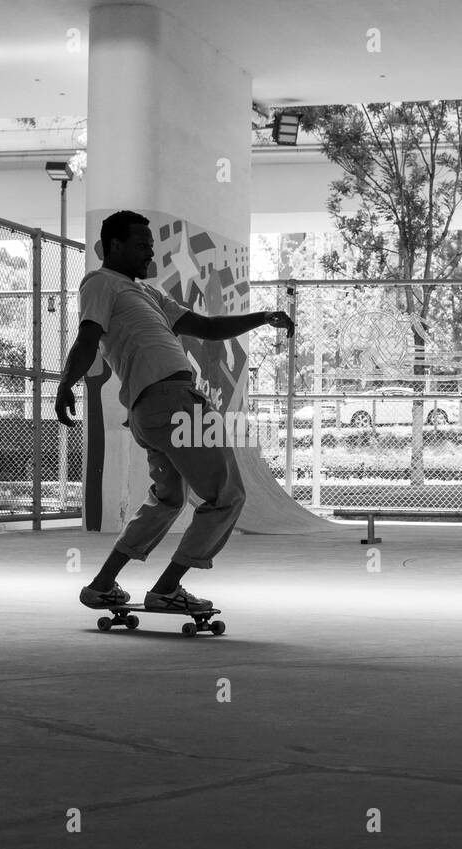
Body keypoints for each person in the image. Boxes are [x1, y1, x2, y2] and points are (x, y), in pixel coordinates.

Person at [55, 210, 294, 613]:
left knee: (167, 500)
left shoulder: (147, 294)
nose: (149, 252)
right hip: (172, 401)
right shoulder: (100, 283)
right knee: (227, 494)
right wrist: (64, 382)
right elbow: (88, 337)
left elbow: (207, 327)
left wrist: (261, 318)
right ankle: (166, 588)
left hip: (152, 410)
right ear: (112, 245)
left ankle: (101, 584)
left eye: (151, 245)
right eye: (140, 245)